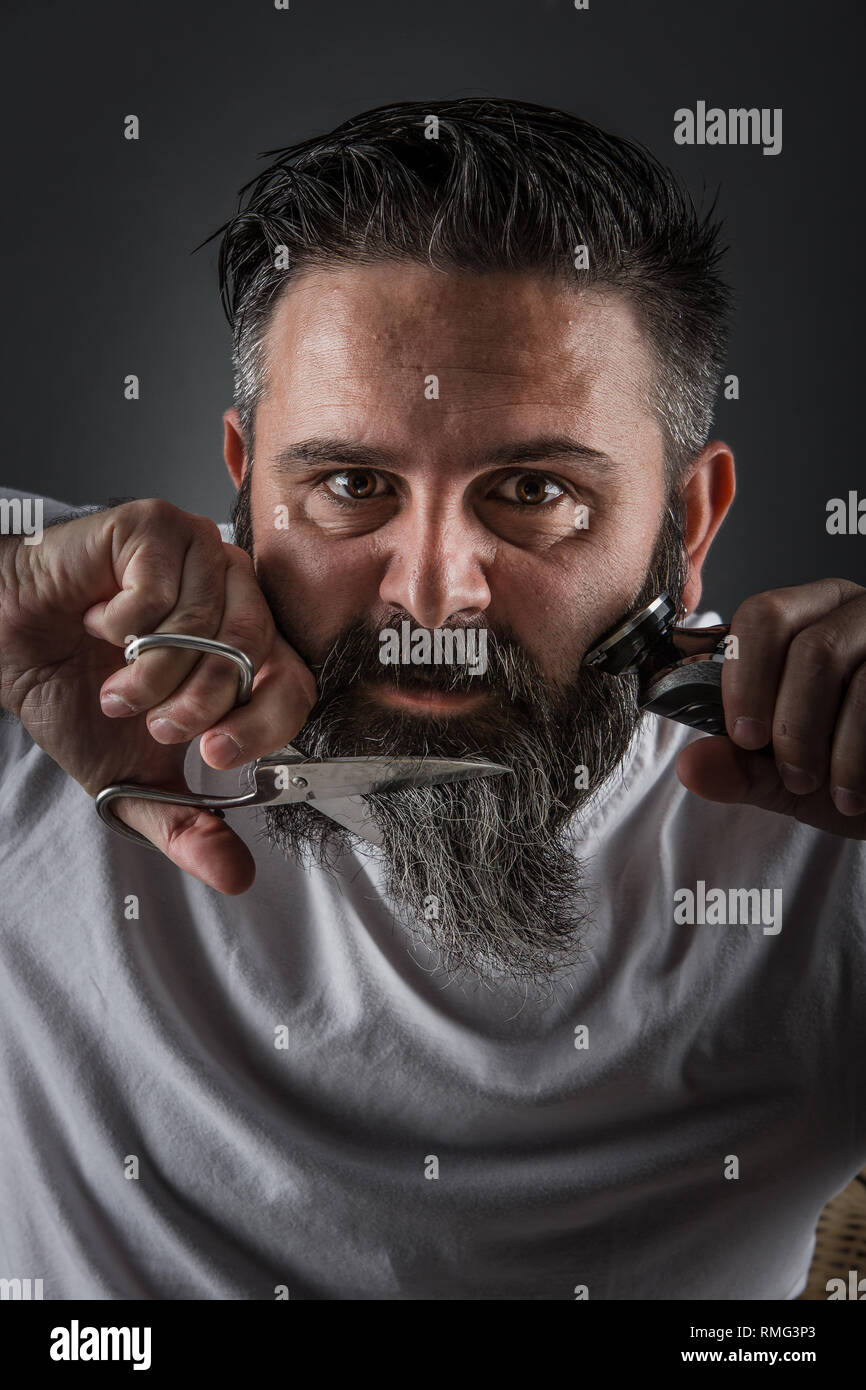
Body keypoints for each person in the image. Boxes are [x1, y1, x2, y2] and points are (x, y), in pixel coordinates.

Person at [0, 97, 863, 1301]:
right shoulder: (61, 656)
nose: (432, 592)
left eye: (531, 488)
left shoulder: (824, 811)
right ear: (245, 485)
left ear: (689, 520)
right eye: (351, 483)